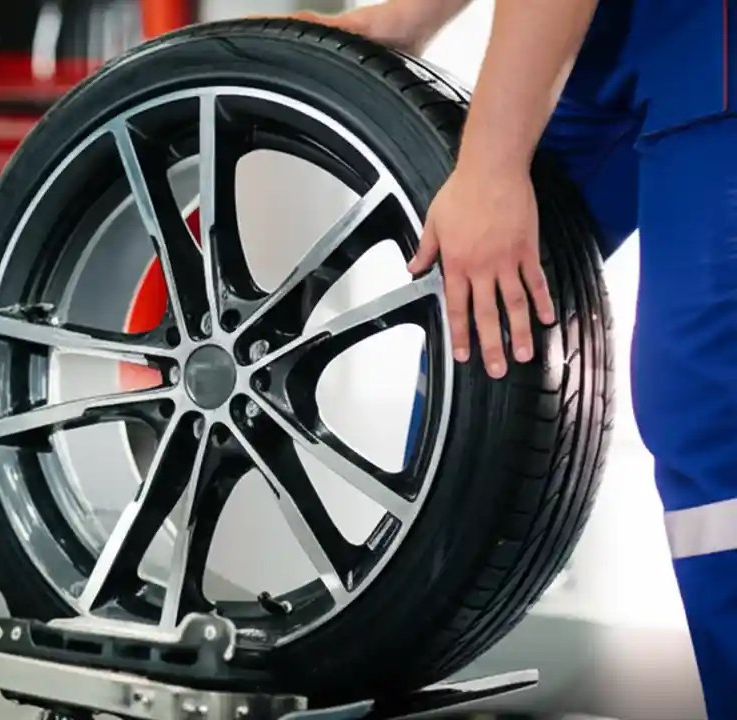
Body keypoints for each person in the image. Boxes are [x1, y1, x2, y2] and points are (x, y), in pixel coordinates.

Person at [278, 0, 736, 716]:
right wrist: (406, 20)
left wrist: (493, 169)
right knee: (471, 309)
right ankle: (378, 652)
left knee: (711, 412)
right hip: (624, 27)